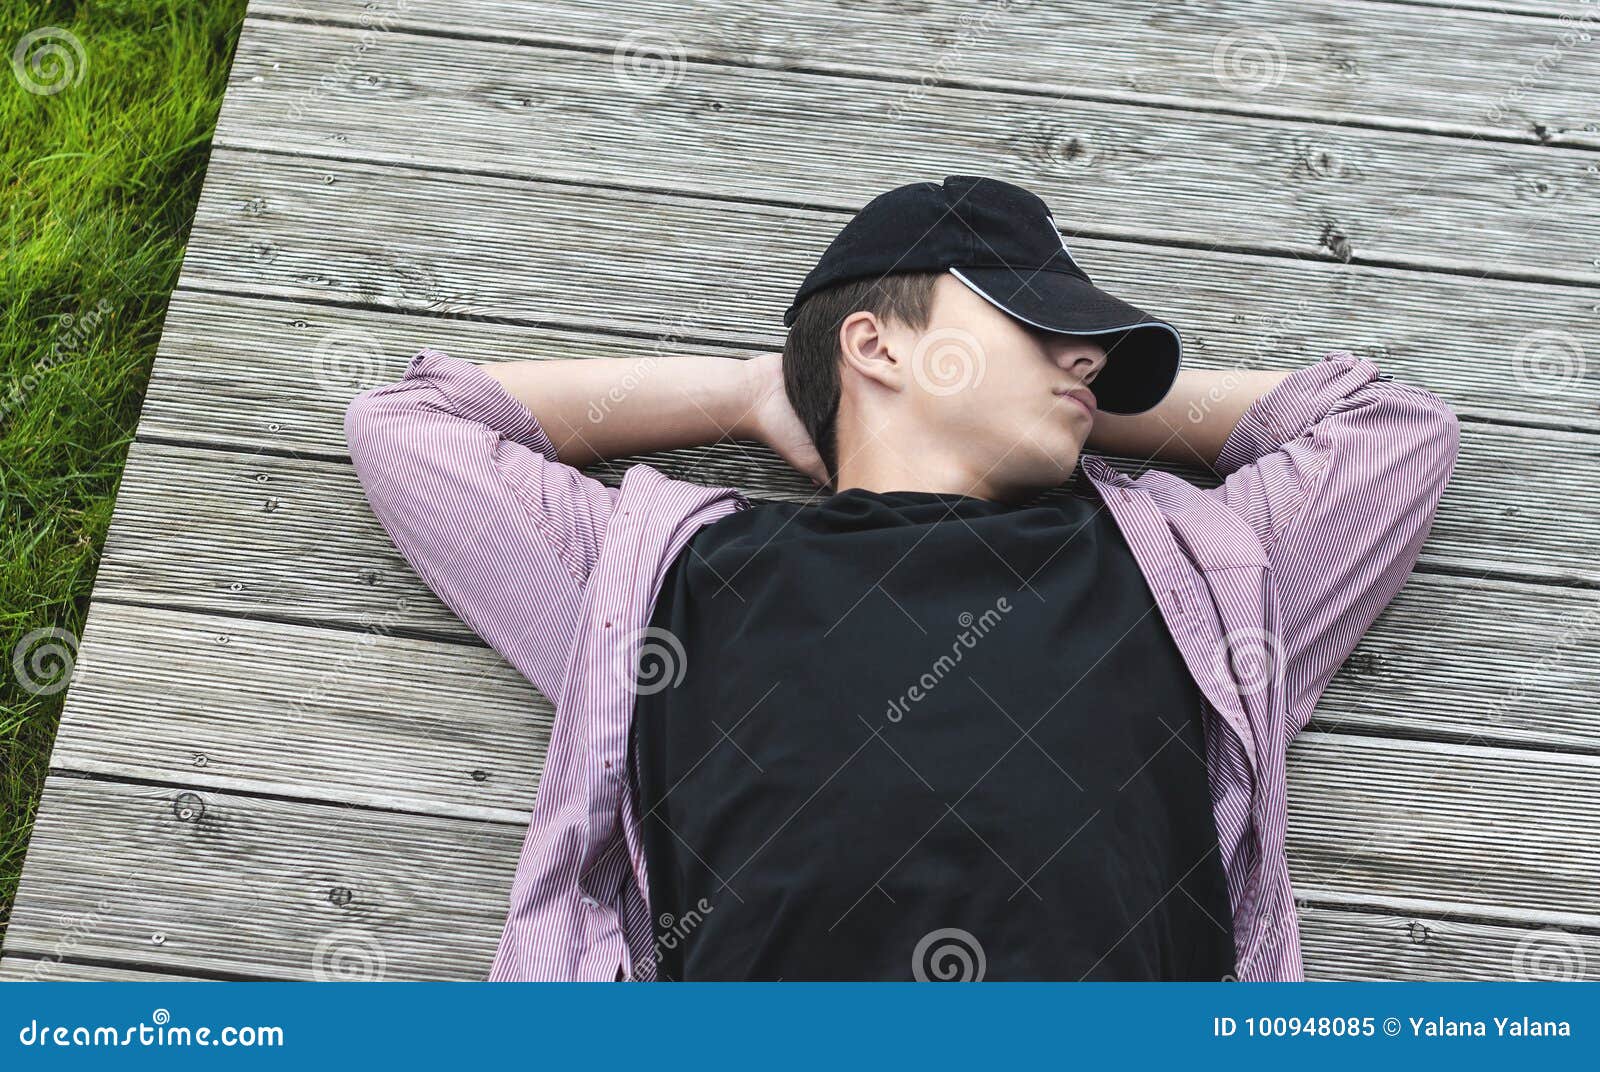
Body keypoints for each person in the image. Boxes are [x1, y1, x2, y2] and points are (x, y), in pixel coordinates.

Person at [344, 176, 1460, 981]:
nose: (1086, 355)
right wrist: (749, 391)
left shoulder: (1188, 569)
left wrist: (1073, 401)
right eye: (1038, 322)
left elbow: (1392, 434)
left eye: (1092, 348)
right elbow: (409, 430)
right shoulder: (670, 572)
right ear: (877, 347)